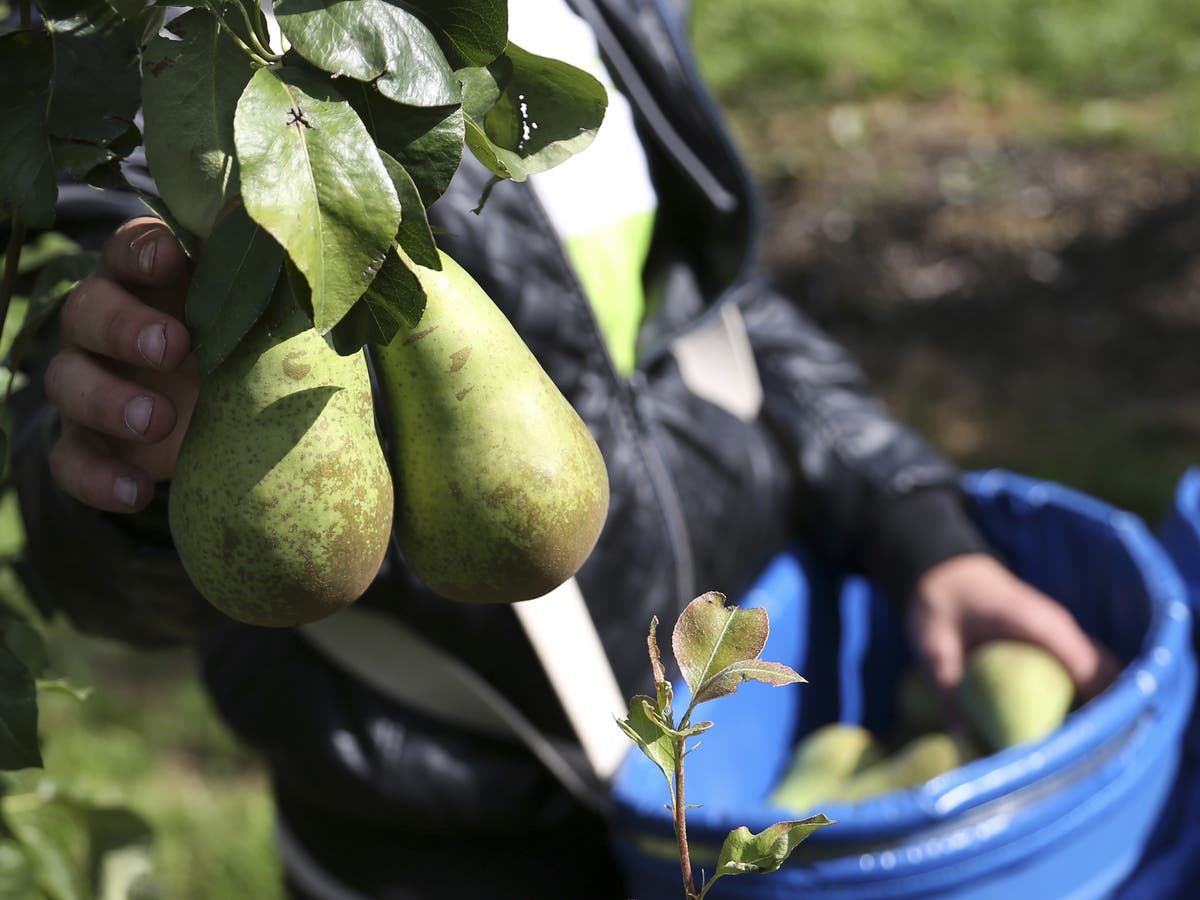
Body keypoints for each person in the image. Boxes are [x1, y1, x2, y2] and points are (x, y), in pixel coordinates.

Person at [11, 1, 1118, 897]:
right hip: (437, 842)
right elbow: (96, 552)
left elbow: (710, 308)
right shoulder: (153, 54)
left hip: (739, 752)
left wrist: (918, 526)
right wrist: (139, 481)